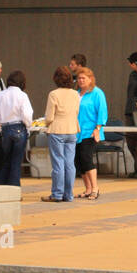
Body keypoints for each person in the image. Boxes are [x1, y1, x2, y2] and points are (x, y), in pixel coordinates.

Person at [43, 66, 81, 203]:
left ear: (56, 79)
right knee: (70, 164)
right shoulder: (75, 94)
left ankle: (57, 194)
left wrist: (45, 122)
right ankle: (68, 194)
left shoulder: (53, 94)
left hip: (57, 130)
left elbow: (49, 117)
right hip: (72, 130)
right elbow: (76, 111)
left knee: (58, 163)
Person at [0, 70, 33, 188]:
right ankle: (14, 188)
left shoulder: (0, 95)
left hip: (5, 128)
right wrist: (28, 125)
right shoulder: (22, 95)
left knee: (5, 160)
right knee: (16, 161)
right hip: (19, 127)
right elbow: (27, 115)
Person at [74, 66, 108, 199]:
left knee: (86, 158)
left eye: (84, 78)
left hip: (91, 131)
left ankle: (95, 188)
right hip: (77, 132)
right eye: (79, 78)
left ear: (90, 79)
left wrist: (97, 128)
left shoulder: (97, 93)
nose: (81, 81)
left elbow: (102, 111)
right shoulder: (76, 93)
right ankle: (87, 188)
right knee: (79, 160)